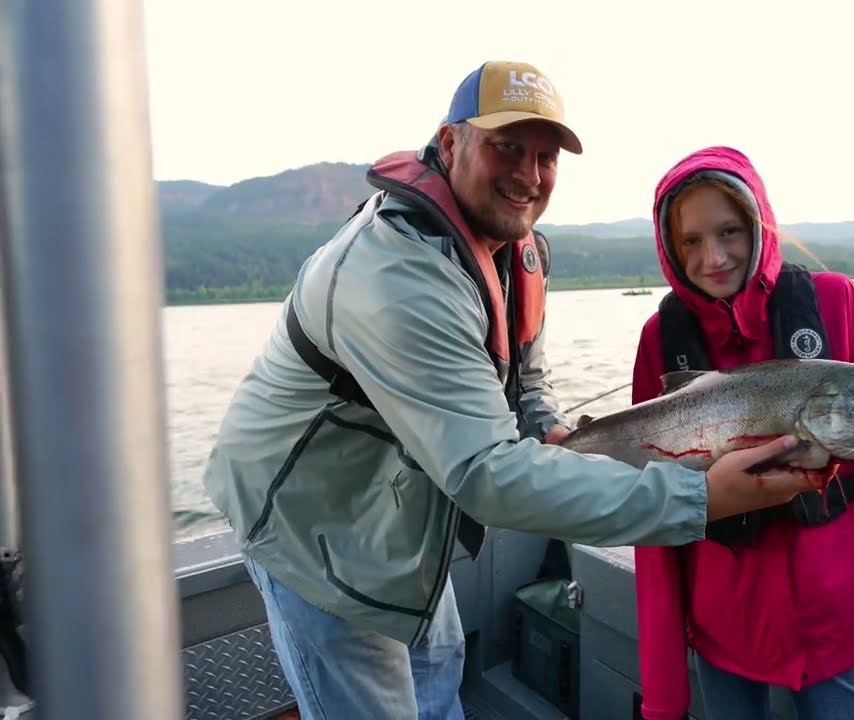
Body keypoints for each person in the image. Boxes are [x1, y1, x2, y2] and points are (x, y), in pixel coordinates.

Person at [201, 62, 821, 720]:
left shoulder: (515, 250)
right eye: (506, 147)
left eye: (545, 156)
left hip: (404, 512)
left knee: (439, 665)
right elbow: (484, 471)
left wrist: (554, 433)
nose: (528, 175)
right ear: (449, 145)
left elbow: (527, 386)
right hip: (312, 525)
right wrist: (701, 496)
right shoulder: (394, 275)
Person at [631, 146, 854, 720]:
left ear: (759, 225)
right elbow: (650, 516)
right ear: (671, 251)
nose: (715, 257)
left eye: (729, 231)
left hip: (838, 620)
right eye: (692, 242)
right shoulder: (661, 337)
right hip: (723, 622)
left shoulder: (838, 304)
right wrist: (663, 688)